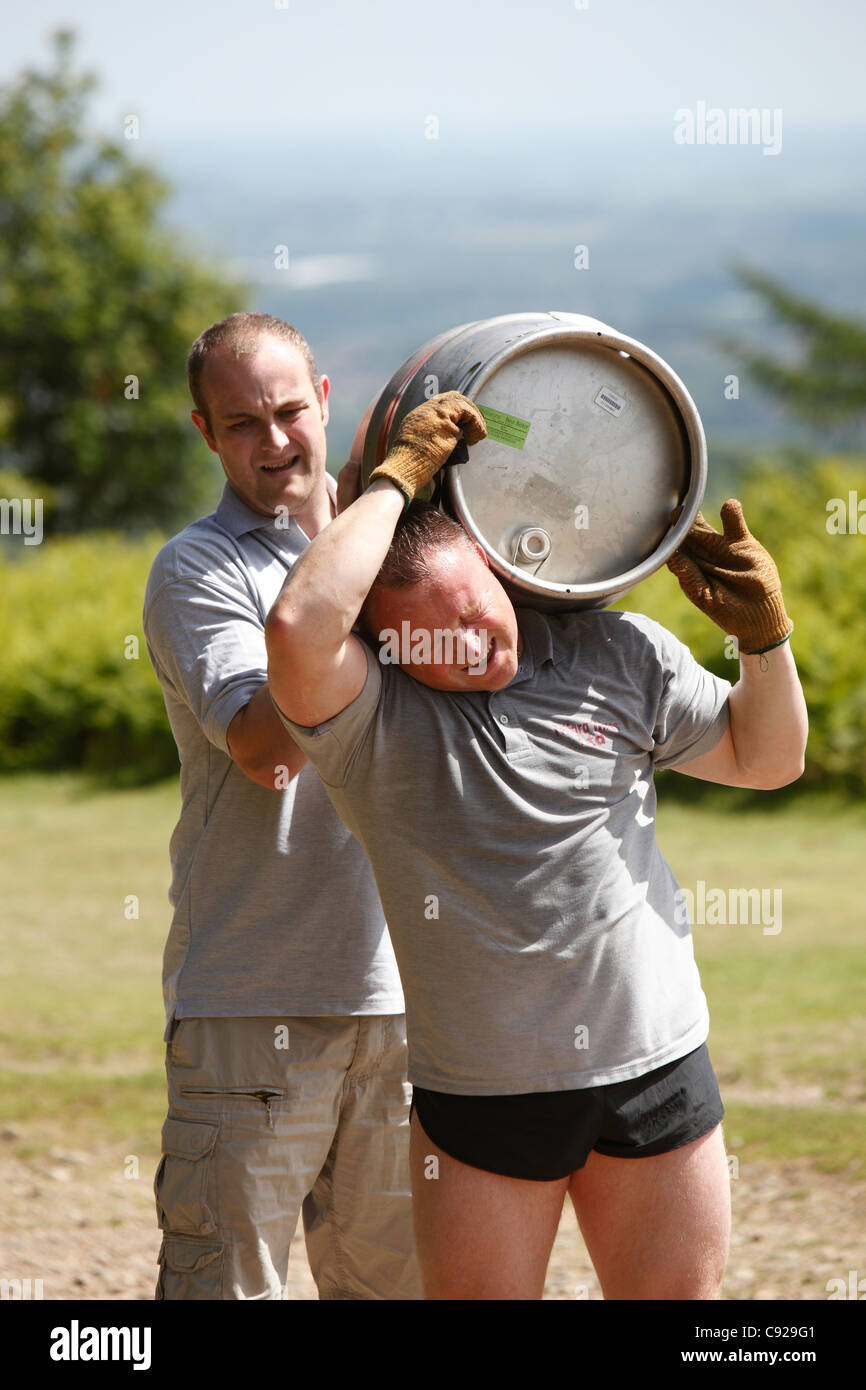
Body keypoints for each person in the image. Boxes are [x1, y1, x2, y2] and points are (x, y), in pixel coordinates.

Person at [264, 391, 808, 1300]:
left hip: (656, 1065)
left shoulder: (620, 655)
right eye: (437, 639)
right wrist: (398, 479)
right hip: (483, 1097)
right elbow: (296, 626)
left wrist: (765, 642)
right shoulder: (370, 719)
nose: (477, 646)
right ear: (388, 651)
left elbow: (771, 757)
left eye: (478, 609)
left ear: (492, 562)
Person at [142, 312, 421, 1300]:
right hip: (249, 997)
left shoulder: (403, 555)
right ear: (204, 433)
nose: (273, 442)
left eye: (290, 412)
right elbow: (264, 747)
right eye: (242, 422)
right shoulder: (197, 568)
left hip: (402, 1002)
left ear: (325, 403)